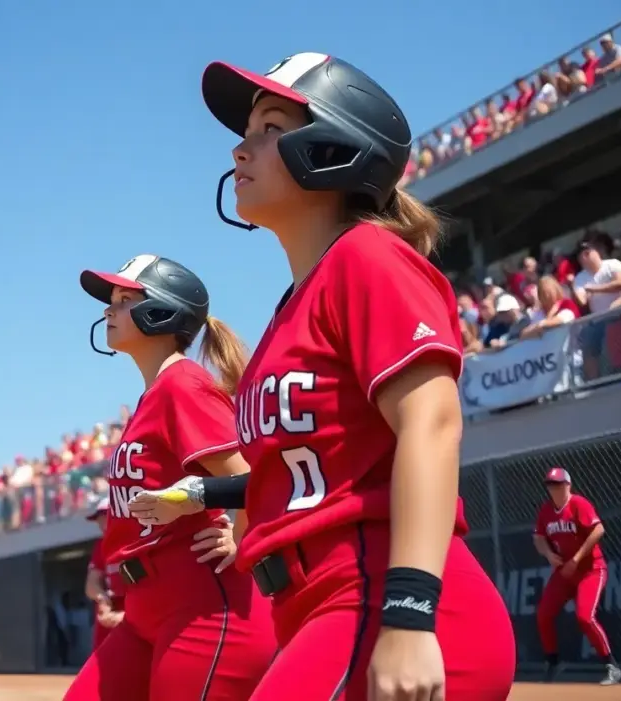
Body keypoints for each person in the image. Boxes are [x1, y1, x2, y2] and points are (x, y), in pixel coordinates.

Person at [129, 52, 516, 700]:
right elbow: (318, 467)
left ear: (333, 147)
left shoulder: (366, 256)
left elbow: (432, 420)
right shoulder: (290, 309)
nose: (240, 148)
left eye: (271, 129)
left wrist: (410, 615)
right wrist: (200, 495)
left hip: (386, 599)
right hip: (320, 605)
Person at [63, 254, 277, 701]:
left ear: (158, 312)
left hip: (203, 607)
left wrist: (240, 540)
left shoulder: (183, 384)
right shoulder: (154, 394)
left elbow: (255, 479)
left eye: (123, 300)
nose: (109, 309)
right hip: (146, 609)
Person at [533, 467, 620, 685]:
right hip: (564, 573)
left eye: (559, 484)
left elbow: (598, 530)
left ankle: (611, 666)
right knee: (544, 614)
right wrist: (549, 554)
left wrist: (576, 559)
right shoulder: (546, 510)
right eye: (551, 486)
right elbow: (539, 538)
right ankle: (552, 662)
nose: (554, 489)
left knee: (584, 617)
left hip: (591, 569)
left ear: (568, 485)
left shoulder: (578, 504)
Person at [83, 499, 126, 652]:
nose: (101, 523)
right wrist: (102, 598)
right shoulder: (101, 546)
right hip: (110, 611)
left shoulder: (136, 542)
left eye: (105, 516)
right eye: (99, 518)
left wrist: (126, 616)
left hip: (135, 611)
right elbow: (91, 584)